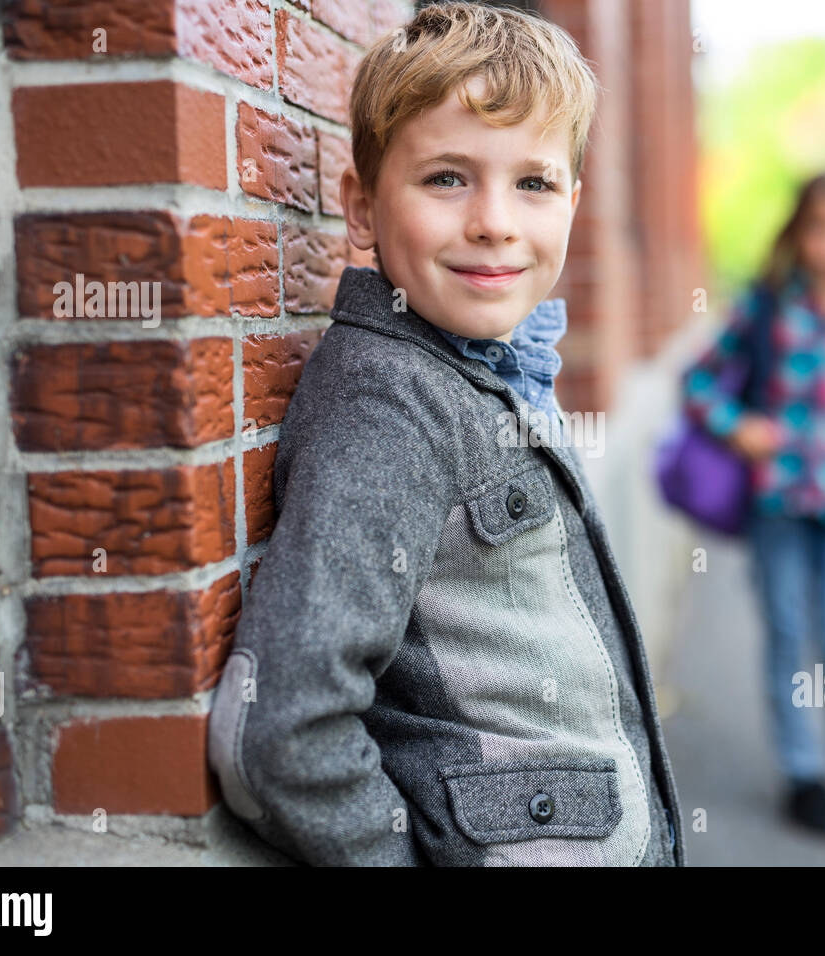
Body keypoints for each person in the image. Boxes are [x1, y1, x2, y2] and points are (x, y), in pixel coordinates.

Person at [207, 1, 684, 866]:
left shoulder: (489, 365)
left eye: (532, 183)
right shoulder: (389, 405)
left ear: (572, 206)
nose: (494, 221)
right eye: (446, 179)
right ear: (361, 208)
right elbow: (281, 730)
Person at [681, 173, 825, 833]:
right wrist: (737, 424)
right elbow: (697, 380)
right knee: (786, 637)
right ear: (797, 233)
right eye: (816, 227)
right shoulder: (767, 307)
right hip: (778, 504)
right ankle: (803, 775)